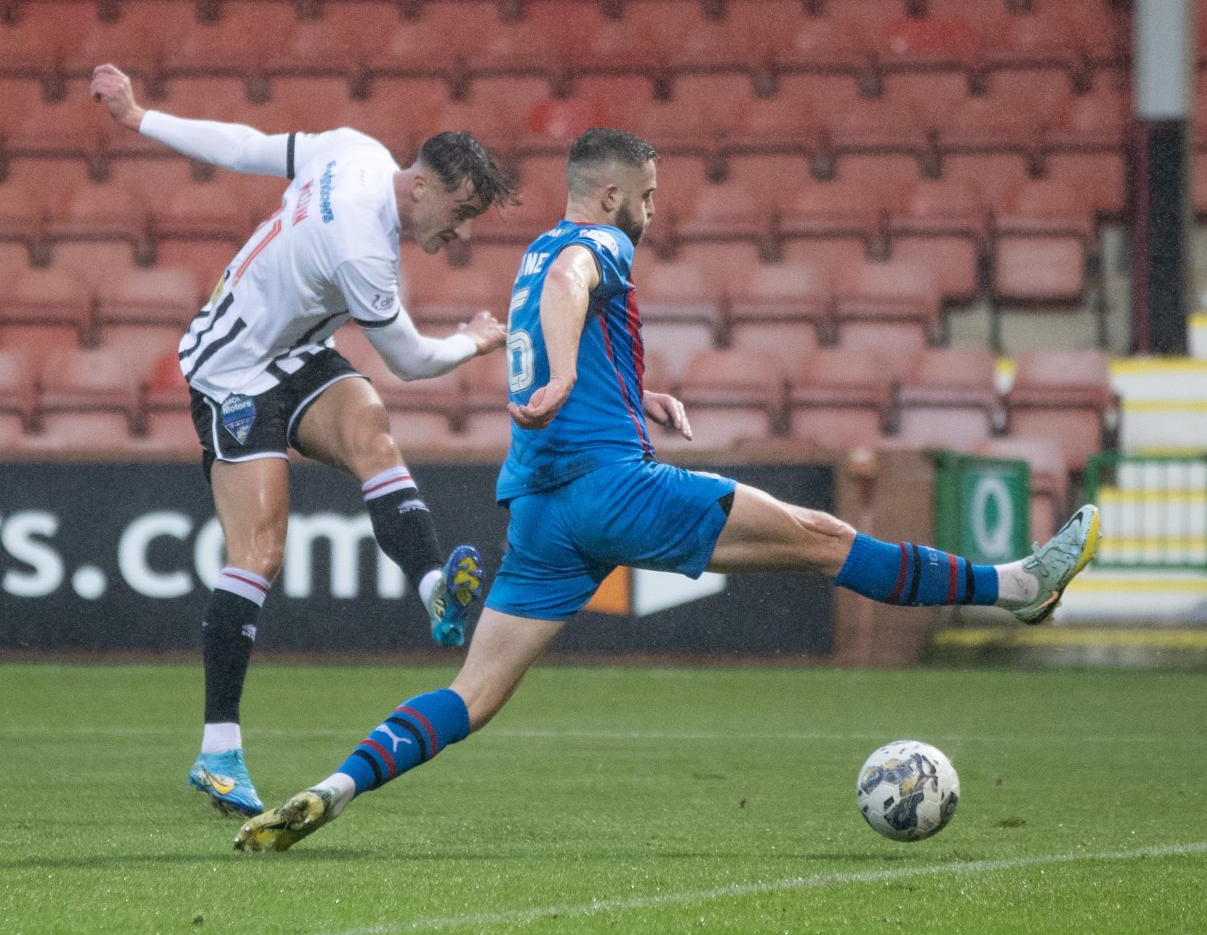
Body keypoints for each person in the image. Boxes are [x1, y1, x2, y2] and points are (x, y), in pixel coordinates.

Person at [233, 128, 1101, 852]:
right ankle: (1017, 586)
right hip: (615, 489)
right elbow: (573, 293)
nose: (652, 212)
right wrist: (569, 376)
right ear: (611, 195)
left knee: (472, 694)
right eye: (647, 196)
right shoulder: (596, 245)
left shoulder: (533, 254)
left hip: (539, 512)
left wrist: (625, 391)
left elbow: (555, 316)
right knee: (824, 541)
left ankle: (334, 788)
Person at [90, 63, 516, 818]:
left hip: (296, 352)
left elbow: (247, 146)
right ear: (421, 187)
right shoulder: (362, 249)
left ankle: (433, 592)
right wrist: (476, 341)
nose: (462, 233)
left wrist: (140, 117)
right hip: (232, 370)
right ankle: (218, 752)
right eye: (461, 212)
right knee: (260, 553)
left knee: (370, 431)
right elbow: (414, 362)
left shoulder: (355, 149)